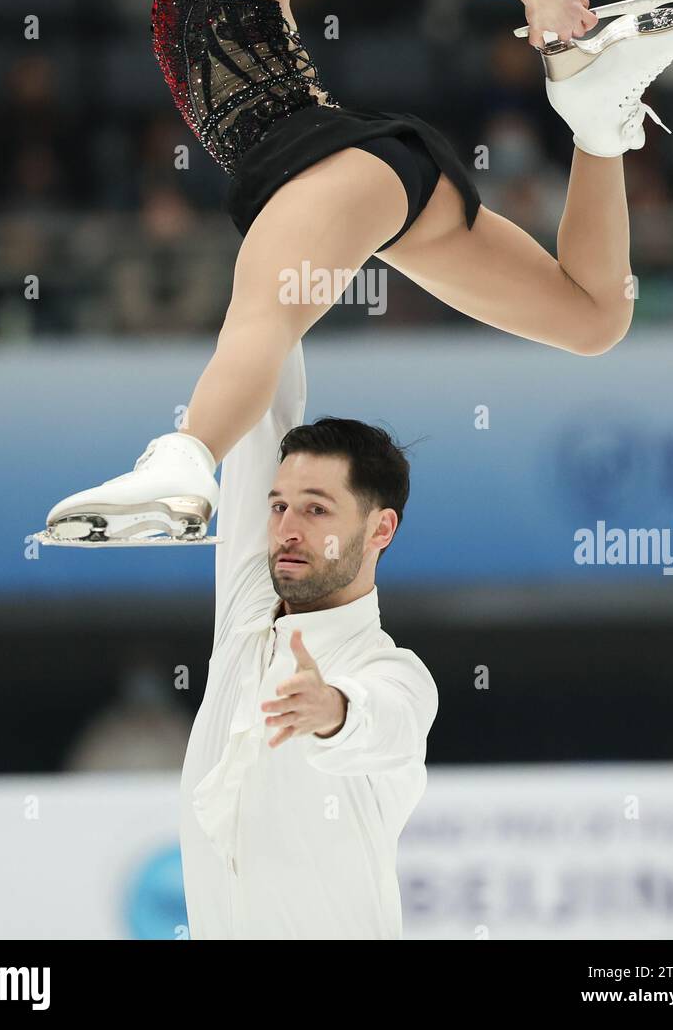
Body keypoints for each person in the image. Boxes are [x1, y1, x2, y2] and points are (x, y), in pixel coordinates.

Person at [45, 0, 673, 544]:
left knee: (261, 315)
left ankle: (178, 463)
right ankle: (598, 124)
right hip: (365, 178)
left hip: (320, 162)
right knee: (593, 320)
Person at [179, 338, 436, 940]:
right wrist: (269, 255)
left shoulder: (390, 671)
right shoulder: (250, 608)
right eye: (278, 507)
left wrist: (333, 711)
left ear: (381, 529)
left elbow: (386, 719)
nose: (287, 530)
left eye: (316, 511)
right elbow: (262, 403)